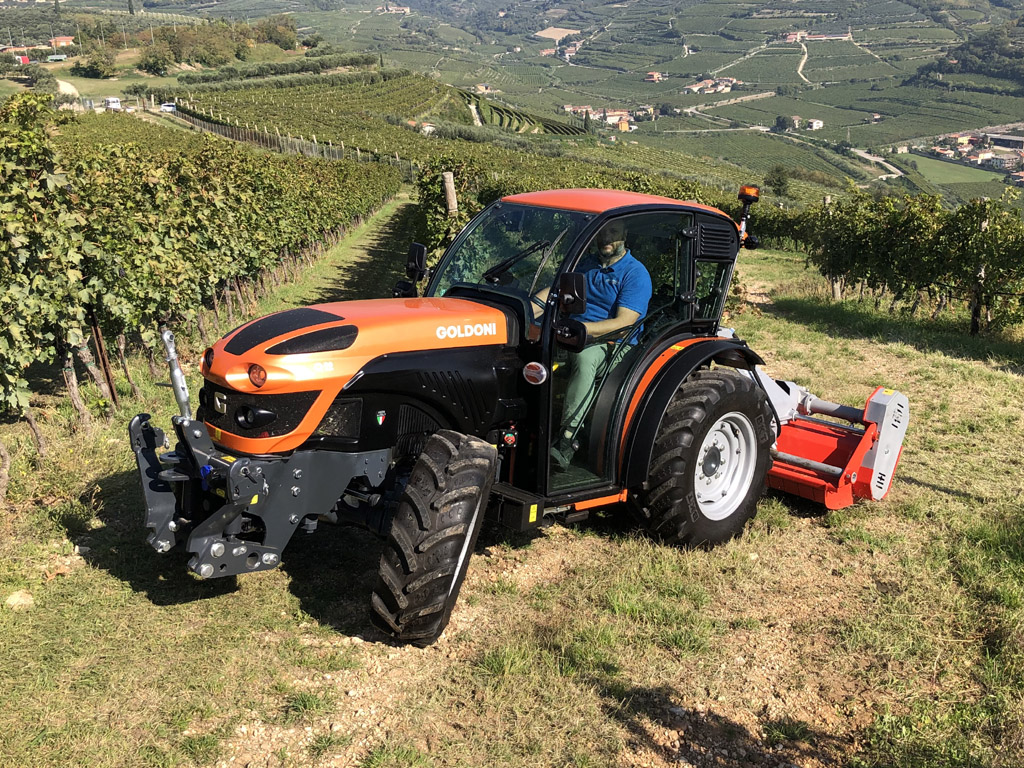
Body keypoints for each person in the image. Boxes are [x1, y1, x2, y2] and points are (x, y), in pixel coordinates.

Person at [551, 219, 652, 470]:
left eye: (613, 232)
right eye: (603, 233)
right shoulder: (586, 266)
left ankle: (567, 440)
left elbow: (624, 322)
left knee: (585, 359)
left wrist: (582, 330)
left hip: (614, 342)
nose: (606, 238)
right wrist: (530, 309)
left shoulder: (635, 273)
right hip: (573, 332)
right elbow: (554, 292)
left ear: (625, 235)